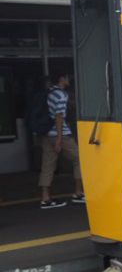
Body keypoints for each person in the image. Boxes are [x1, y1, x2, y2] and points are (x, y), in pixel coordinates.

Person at [38, 73, 84, 209]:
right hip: (61, 134)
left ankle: (45, 198)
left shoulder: (50, 93)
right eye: (67, 77)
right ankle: (78, 193)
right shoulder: (61, 95)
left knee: (47, 165)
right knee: (79, 159)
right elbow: (59, 116)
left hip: (47, 134)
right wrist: (59, 138)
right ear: (61, 79)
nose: (69, 80)